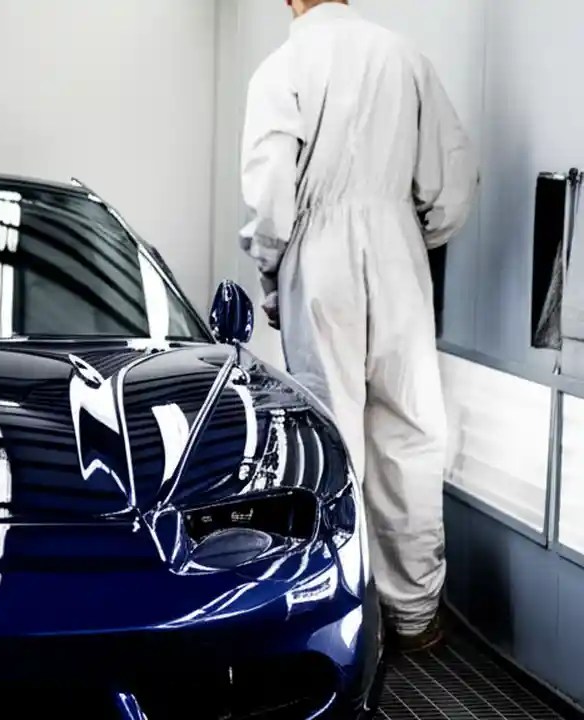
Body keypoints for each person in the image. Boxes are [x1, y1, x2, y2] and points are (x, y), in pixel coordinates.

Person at [239, 0, 477, 651]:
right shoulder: (406, 57)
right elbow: (453, 181)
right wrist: (408, 236)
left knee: (331, 439)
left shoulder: (282, 66)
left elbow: (269, 197)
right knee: (410, 431)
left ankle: (338, 609)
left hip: (317, 255)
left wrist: (272, 274)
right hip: (399, 249)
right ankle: (415, 615)